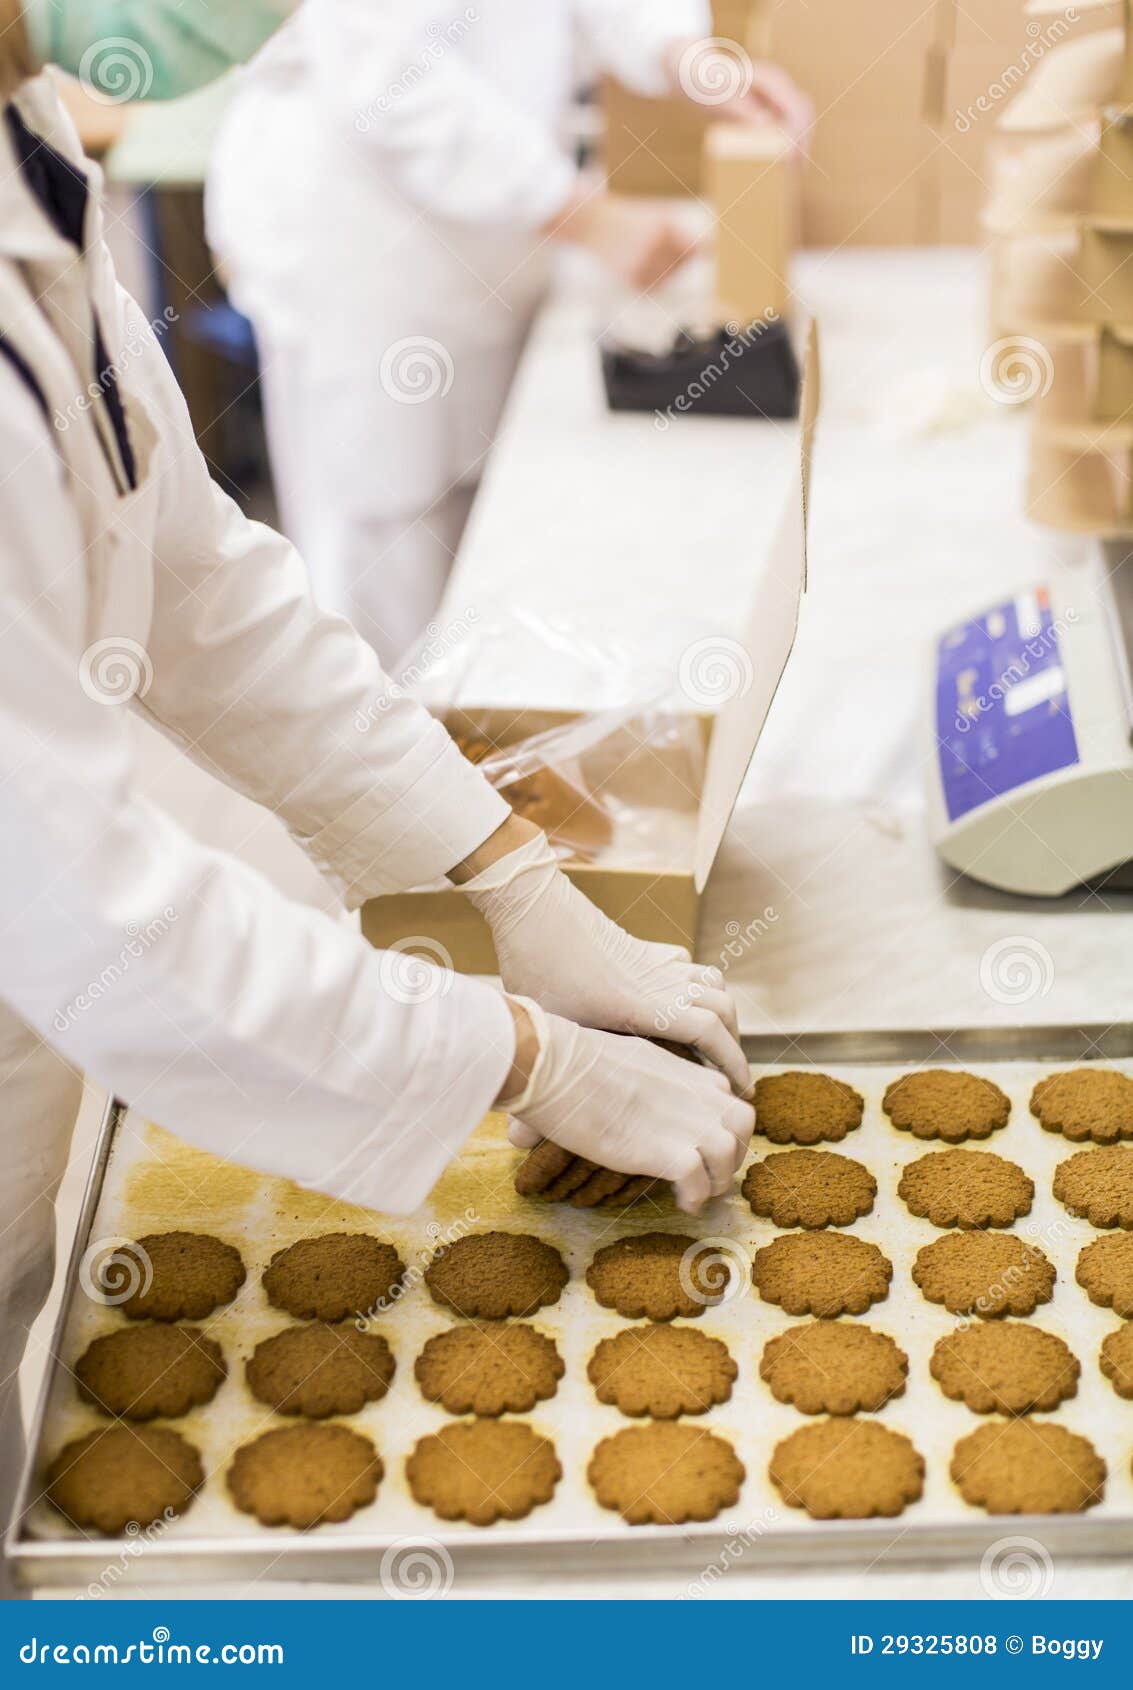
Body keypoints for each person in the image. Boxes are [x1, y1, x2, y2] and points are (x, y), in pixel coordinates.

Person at [0, 0, 753, 1587]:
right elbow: (87, 904)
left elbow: (202, 587)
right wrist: (519, 1054)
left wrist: (505, 874)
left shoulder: (29, 144)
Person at [206, 1, 812, 667]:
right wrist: (577, 213)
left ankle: (466, 743)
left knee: (483, 531)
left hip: (489, 242)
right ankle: (391, 757)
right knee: (385, 546)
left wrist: (682, 54)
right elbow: (387, 79)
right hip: (363, 247)